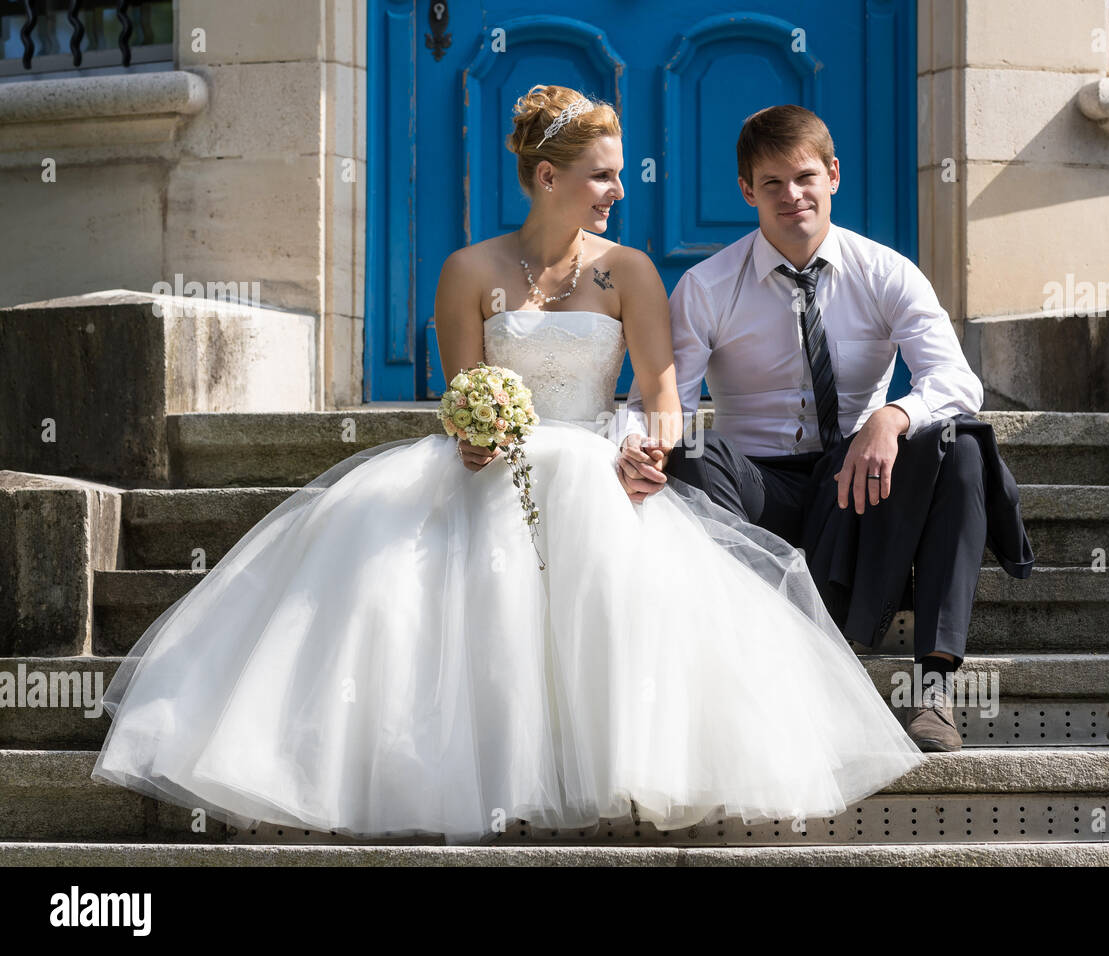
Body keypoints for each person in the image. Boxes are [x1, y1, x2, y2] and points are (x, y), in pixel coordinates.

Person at [90, 85, 924, 846]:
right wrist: (472, 436)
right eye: (602, 176)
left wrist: (651, 446)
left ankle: (608, 766)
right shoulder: (468, 273)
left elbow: (666, 392)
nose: (620, 190)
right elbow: (462, 395)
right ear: (549, 177)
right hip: (489, 467)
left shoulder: (629, 271)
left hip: (597, 464)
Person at [617, 105, 1035, 754]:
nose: (792, 196)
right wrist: (638, 448)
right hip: (762, 492)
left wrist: (890, 417)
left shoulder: (886, 273)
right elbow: (665, 399)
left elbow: (957, 383)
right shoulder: (706, 287)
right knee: (695, 454)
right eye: (772, 183)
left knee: (962, 446)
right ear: (746, 191)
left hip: (858, 484)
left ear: (833, 175)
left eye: (805, 177)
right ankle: (752, 673)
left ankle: (934, 690)